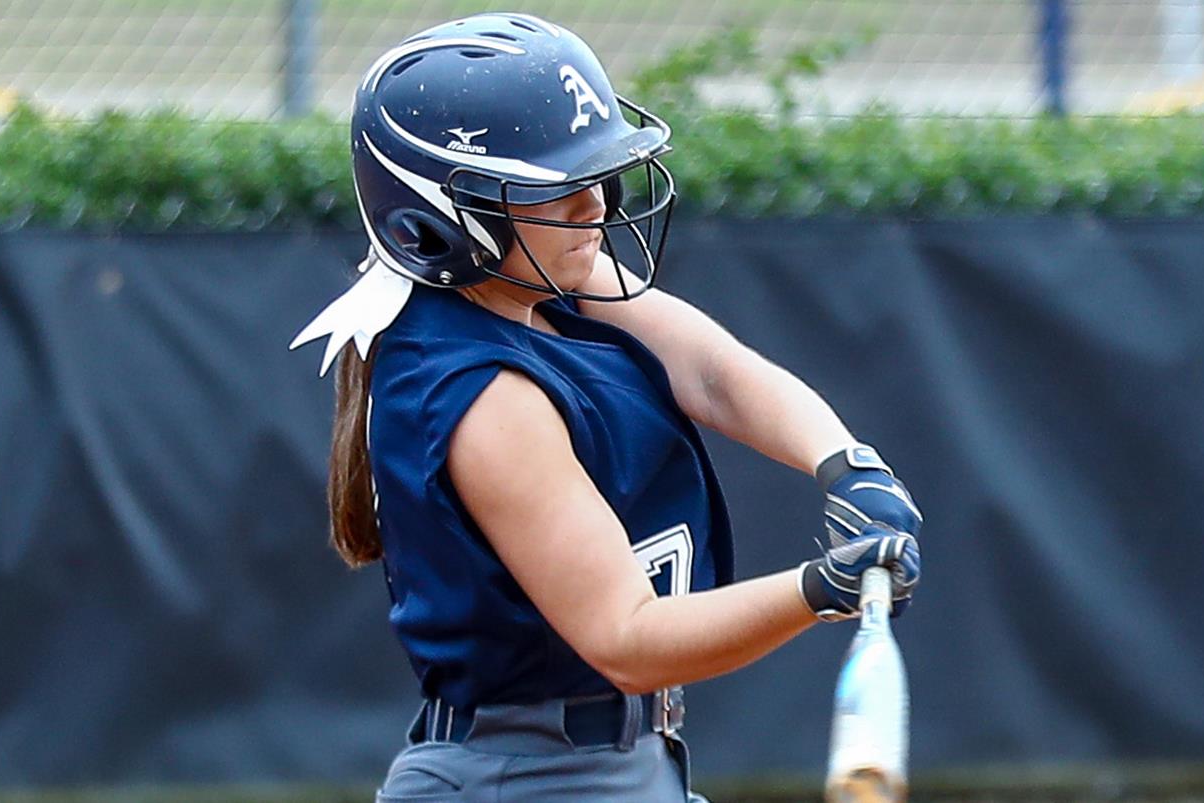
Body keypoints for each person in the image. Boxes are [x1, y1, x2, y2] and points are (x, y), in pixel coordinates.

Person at [291, 13, 926, 801]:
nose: (593, 204)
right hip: (526, 777)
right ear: (439, 224)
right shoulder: (481, 396)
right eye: (554, 188)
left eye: (594, 176)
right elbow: (624, 636)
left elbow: (713, 371)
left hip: (614, 764)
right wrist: (816, 588)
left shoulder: (534, 279)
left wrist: (846, 464)